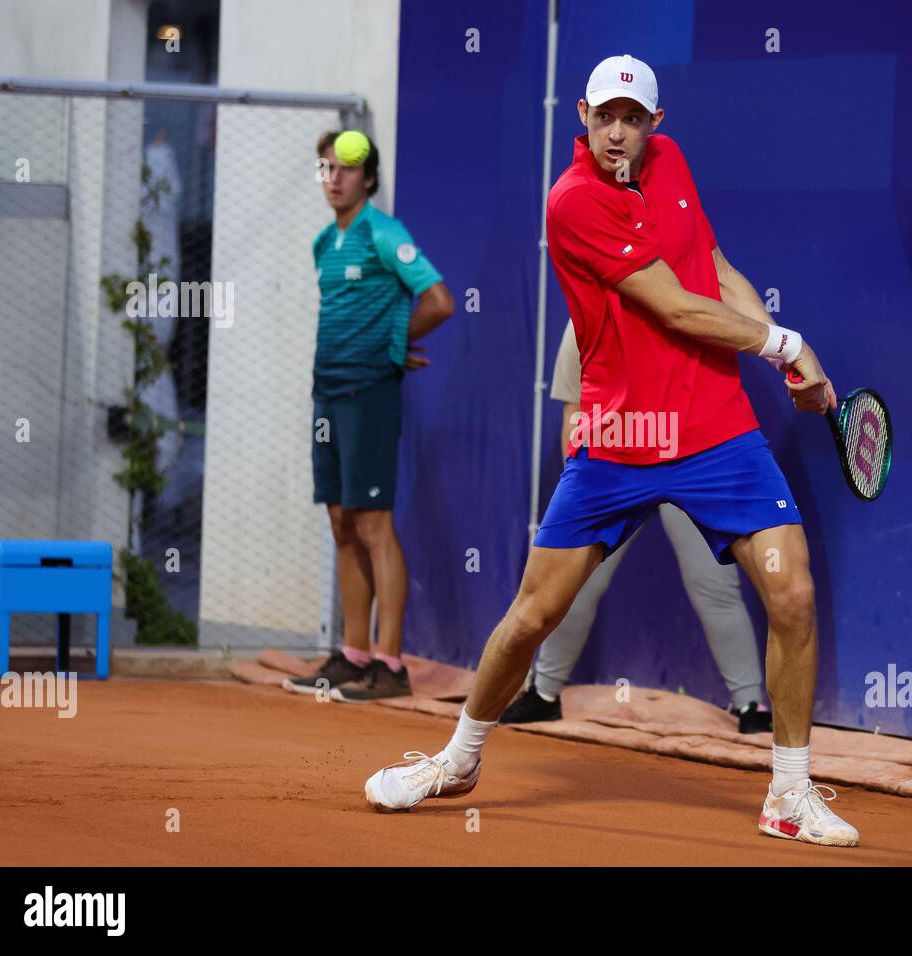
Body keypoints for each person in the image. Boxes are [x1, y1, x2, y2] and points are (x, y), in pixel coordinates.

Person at [365, 55, 858, 847]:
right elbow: (673, 306)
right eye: (606, 117)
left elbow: (714, 269)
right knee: (533, 616)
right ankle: (459, 758)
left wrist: (785, 349)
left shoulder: (673, 166)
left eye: (634, 117)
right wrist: (789, 345)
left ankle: (790, 793)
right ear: (584, 121)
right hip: (621, 438)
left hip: (714, 429)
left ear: (655, 125)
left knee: (793, 595)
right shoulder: (572, 203)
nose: (619, 131)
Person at [501, 320, 773, 734]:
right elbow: (574, 411)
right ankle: (544, 693)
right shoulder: (581, 326)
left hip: (691, 466)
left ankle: (750, 703)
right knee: (570, 584)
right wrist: (581, 493)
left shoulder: (691, 316)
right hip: (615, 472)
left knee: (713, 584)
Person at [282, 131, 454, 703]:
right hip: (326, 395)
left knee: (374, 525)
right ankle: (353, 655)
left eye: (346, 169)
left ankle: (391, 663)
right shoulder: (322, 244)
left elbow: (439, 300)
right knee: (341, 523)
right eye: (326, 168)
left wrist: (391, 341)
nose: (333, 177)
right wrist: (386, 337)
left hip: (370, 395)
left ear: (369, 179)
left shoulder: (386, 234)